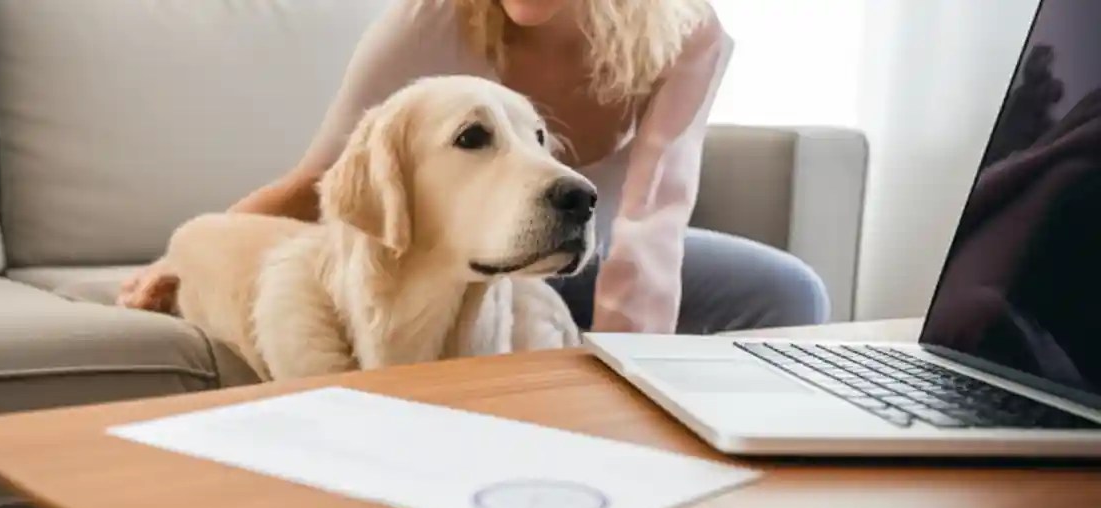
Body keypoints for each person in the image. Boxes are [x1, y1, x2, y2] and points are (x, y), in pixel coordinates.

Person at [118, 0, 831, 334]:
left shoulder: (689, 32)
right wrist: (187, 256)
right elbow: (320, 182)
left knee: (786, 292)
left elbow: (652, 225)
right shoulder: (429, 18)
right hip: (456, 269)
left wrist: (620, 385)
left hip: (590, 262)